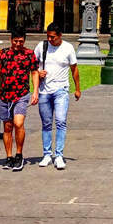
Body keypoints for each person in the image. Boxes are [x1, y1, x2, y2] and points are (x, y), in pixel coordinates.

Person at [0, 28, 40, 171]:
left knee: (18, 123)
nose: (18, 44)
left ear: (24, 41)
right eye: (15, 41)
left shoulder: (29, 54)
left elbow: (34, 72)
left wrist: (35, 91)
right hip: (5, 95)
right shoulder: (4, 53)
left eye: (21, 41)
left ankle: (19, 154)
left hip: (21, 94)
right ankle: (9, 156)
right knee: (7, 127)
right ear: (11, 40)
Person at [35, 23, 80, 170]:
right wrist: (37, 73)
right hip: (44, 91)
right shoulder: (41, 47)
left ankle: (59, 155)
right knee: (46, 123)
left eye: (53, 37)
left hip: (61, 90)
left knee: (60, 121)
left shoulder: (68, 48)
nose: (50, 39)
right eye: (48, 36)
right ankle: (47, 154)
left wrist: (77, 89)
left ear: (60, 36)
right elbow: (33, 66)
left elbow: (74, 69)